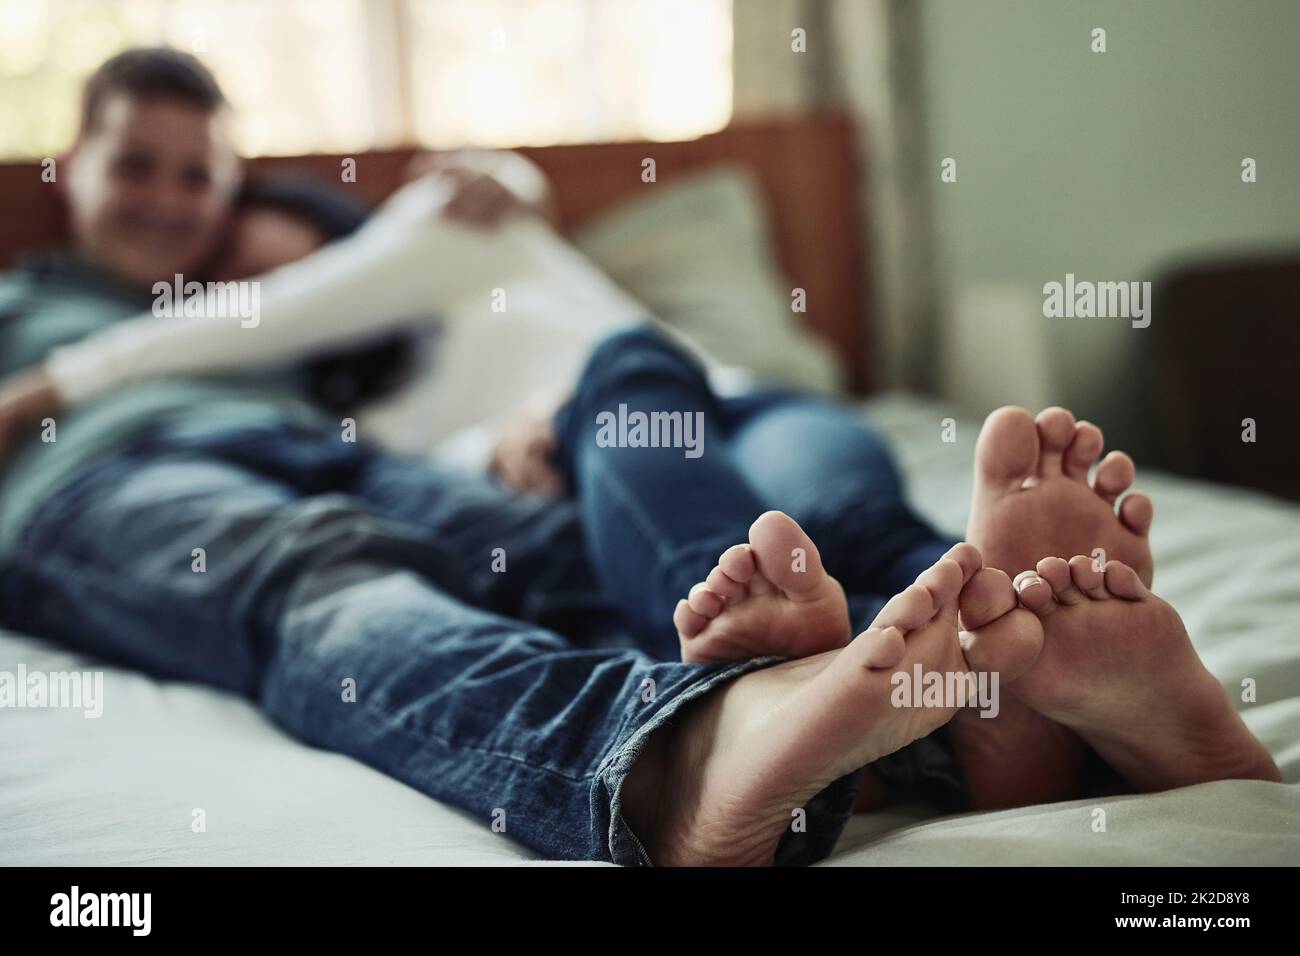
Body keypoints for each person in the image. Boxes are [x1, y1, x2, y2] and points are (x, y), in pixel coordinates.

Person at [0, 48, 1278, 866]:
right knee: (333, 582)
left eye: (198, 177)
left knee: (593, 543)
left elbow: (377, 277)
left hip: (397, 447)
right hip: (121, 475)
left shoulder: (264, 333)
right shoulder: (33, 312)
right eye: (136, 166)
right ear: (69, 168)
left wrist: (496, 189)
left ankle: (1001, 706)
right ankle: (680, 748)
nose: (172, 202)